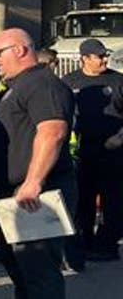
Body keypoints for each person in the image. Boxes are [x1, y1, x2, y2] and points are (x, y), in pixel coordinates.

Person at [0, 27, 76, 298]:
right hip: (16, 193)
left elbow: (53, 131)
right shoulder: (17, 86)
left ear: (20, 50)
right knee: (19, 266)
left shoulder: (41, 83)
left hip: (36, 193)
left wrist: (33, 182)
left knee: (39, 272)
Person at [62, 38, 123, 261]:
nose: (104, 60)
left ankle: (107, 244)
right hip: (82, 151)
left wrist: (119, 137)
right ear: (85, 59)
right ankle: (84, 243)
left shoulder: (117, 81)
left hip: (112, 149)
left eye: (105, 55)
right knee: (82, 201)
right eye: (99, 56)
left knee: (114, 201)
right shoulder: (69, 82)